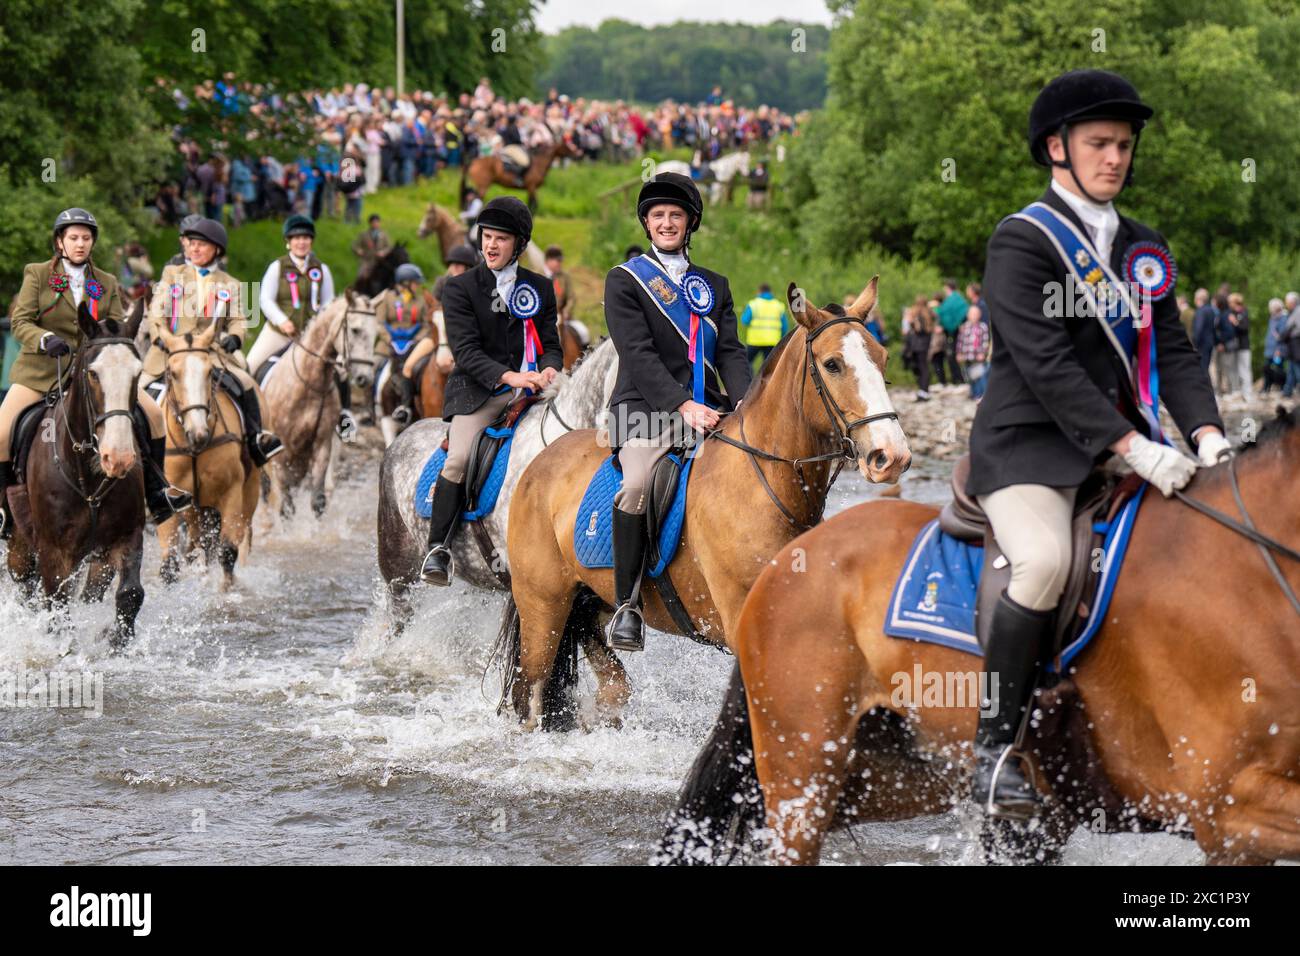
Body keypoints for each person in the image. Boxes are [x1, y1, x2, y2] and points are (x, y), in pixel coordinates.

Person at [965, 70, 1228, 818]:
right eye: (1099, 144)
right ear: (1057, 148)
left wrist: (1207, 436)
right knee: (1044, 565)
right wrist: (1133, 446)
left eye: (1124, 145)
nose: (1115, 157)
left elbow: (1172, 352)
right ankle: (994, 751)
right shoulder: (1022, 240)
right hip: (1030, 452)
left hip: (1129, 452)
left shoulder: (1145, 247)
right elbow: (1044, 365)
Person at [603, 172, 752, 650]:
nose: (667, 223)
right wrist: (681, 404)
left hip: (709, 409)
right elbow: (638, 353)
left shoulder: (715, 285)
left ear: (690, 224)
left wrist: (748, 404)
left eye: (676, 215)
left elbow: (730, 351)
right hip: (644, 410)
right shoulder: (625, 281)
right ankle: (627, 604)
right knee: (636, 484)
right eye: (658, 216)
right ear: (647, 224)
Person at [0, 208, 192, 539]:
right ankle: (4, 508)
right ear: (60, 242)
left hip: (97, 374)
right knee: (1, 432)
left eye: (86, 238)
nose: (80, 244)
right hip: (43, 369)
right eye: (73, 237)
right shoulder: (38, 274)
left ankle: (158, 495)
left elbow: (117, 325)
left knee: (154, 416)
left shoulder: (105, 281)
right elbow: (21, 321)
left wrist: (108, 340)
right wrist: (45, 339)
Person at [419, 197, 562, 585]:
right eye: (487, 237)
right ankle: (439, 549)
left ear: (519, 244)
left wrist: (549, 367)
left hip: (533, 390)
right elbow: (465, 352)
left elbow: (551, 342)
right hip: (479, 391)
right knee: (459, 459)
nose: (491, 246)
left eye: (501, 238)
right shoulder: (460, 287)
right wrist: (511, 377)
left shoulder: (541, 288)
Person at [142, 218, 282, 467]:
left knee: (246, 383)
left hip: (211, 352)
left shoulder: (231, 284)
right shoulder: (172, 274)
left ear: (216, 249)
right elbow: (156, 312)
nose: (194, 249)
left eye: (201, 245)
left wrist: (235, 338)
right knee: (138, 391)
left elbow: (239, 318)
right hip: (171, 350)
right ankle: (138, 451)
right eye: (192, 244)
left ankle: (256, 440)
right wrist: (160, 338)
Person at [248, 215, 353, 439]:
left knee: (342, 372)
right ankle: (251, 425)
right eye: (296, 238)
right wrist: (281, 321)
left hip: (311, 339)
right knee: (249, 366)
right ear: (288, 241)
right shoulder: (277, 267)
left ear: (311, 241)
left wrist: (320, 331)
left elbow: (328, 304)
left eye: (305, 238)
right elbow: (265, 299)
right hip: (279, 332)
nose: (301, 242)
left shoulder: (321, 270)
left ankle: (345, 422)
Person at [400, 244, 478, 386]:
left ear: (467, 267)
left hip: (465, 337)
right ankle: (405, 406)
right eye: (452, 264)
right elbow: (433, 307)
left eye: (459, 264)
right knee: (408, 366)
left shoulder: (475, 286)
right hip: (438, 335)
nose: (454, 267)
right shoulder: (442, 283)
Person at [373, 262, 431, 424]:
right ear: (405, 282)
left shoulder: (420, 301)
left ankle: (414, 405)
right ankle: (372, 409)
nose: (418, 286)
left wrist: (416, 340)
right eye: (415, 283)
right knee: (375, 367)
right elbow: (379, 322)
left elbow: (426, 324)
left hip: (412, 345)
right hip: (388, 344)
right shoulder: (387, 298)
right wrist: (389, 339)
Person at [739, 282, 789, 369]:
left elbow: (744, 320)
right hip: (772, 341)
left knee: (746, 362)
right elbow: (785, 327)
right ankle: (765, 382)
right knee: (768, 368)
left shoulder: (753, 304)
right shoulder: (778, 306)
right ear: (771, 292)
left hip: (754, 341)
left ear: (759, 292)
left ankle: (750, 380)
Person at [955, 304, 991, 400]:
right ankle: (974, 393)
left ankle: (981, 395)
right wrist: (959, 353)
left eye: (976, 314)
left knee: (980, 376)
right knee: (970, 376)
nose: (974, 316)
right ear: (968, 315)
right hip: (967, 356)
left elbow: (985, 341)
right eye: (971, 314)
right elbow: (960, 342)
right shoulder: (964, 327)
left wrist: (983, 353)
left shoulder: (982, 327)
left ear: (979, 315)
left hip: (977, 357)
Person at [904, 295, 936, 401]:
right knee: (924, 368)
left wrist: (911, 322)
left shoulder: (917, 315)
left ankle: (923, 391)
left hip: (916, 345)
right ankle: (924, 391)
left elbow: (917, 330)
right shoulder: (930, 314)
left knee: (920, 368)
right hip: (925, 344)